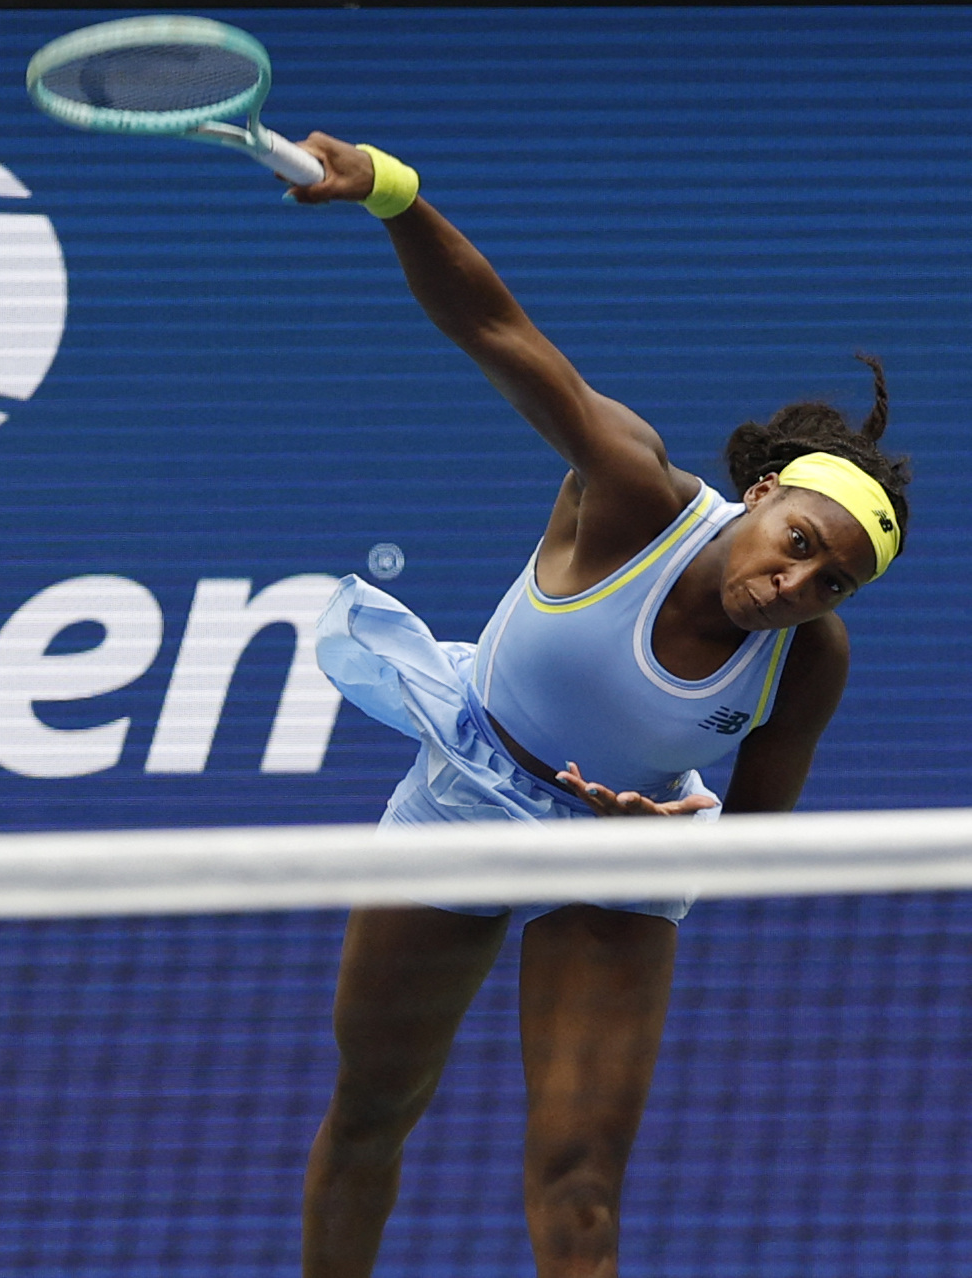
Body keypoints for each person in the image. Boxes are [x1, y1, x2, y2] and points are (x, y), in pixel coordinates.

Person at [283, 134, 911, 1278]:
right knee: (374, 1111)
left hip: (627, 856)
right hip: (472, 799)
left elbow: (762, 842)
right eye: (801, 545)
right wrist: (392, 193)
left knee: (581, 1187)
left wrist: (680, 834)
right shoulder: (631, 492)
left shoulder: (811, 660)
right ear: (763, 496)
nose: (798, 585)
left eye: (833, 583)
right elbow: (497, 333)